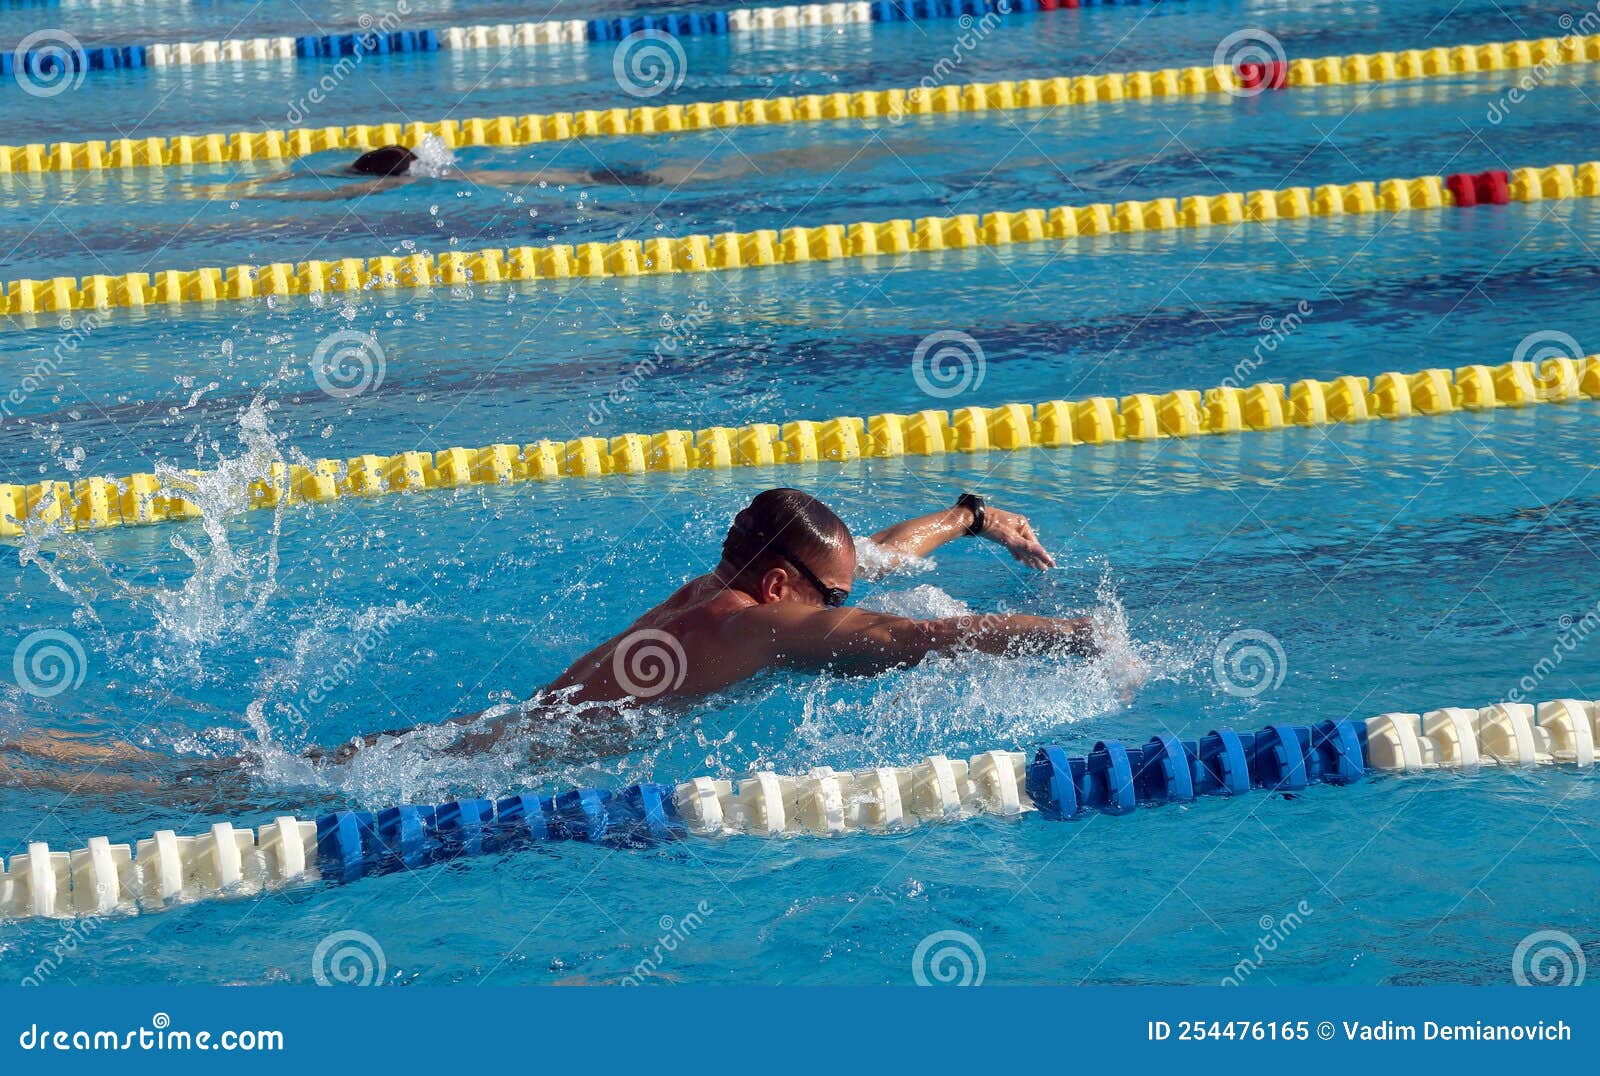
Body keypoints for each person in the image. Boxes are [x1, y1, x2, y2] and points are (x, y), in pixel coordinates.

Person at [0, 488, 1099, 786]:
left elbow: (875, 557)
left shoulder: (717, 587)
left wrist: (963, 519)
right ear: (782, 585)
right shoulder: (777, 633)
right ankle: (43, 766)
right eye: (825, 588)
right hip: (522, 759)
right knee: (228, 788)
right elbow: (921, 645)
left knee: (259, 772)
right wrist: (1067, 636)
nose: (842, 594)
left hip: (517, 728)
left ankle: (37, 750)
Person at [188, 140, 913, 202]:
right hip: (599, 177)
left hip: (613, 187)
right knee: (718, 170)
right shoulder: (467, 175)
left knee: (712, 176)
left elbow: (341, 186)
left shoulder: (451, 184)